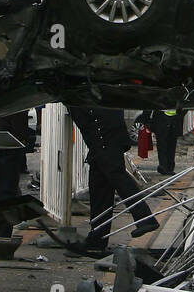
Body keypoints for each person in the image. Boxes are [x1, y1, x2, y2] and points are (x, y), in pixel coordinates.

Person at [68, 106, 158, 254]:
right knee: (99, 189)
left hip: (104, 135)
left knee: (116, 176)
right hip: (101, 137)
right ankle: (97, 239)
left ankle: (145, 218)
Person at [136, 107, 182, 175]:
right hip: (166, 120)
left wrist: (147, 121)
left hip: (166, 119)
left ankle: (167, 167)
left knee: (167, 145)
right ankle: (166, 167)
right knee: (166, 145)